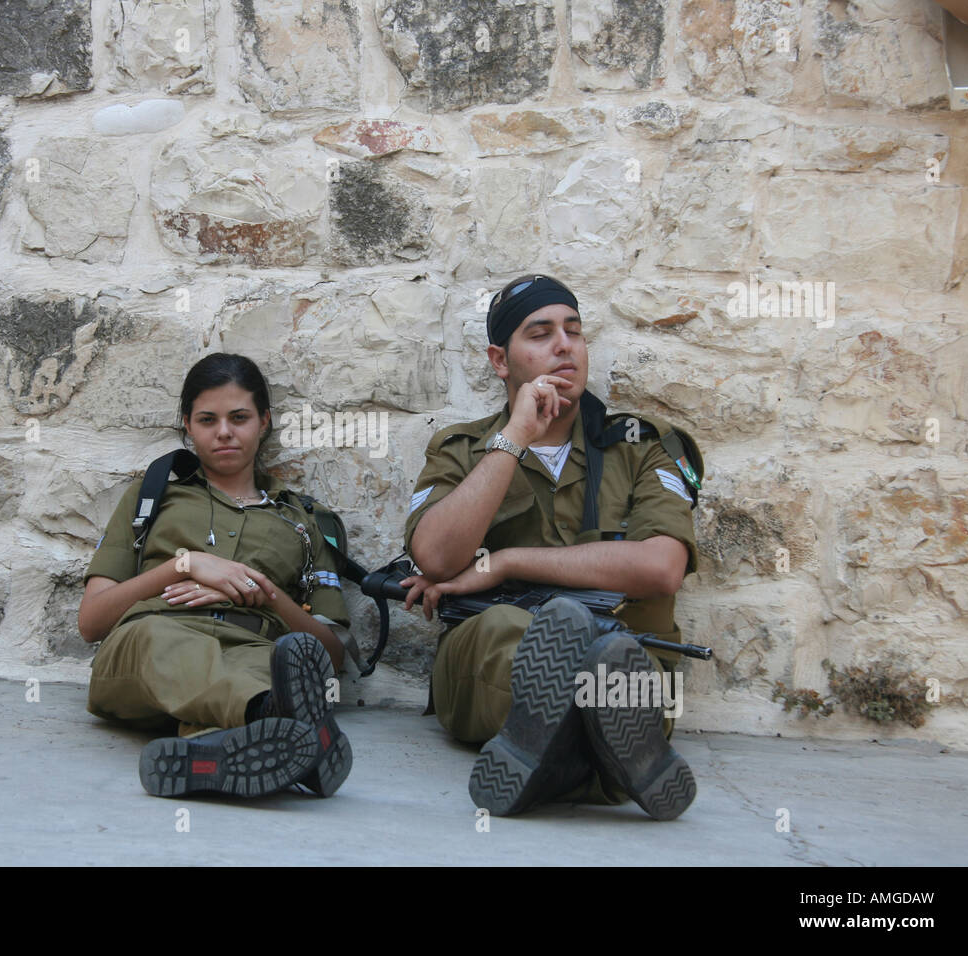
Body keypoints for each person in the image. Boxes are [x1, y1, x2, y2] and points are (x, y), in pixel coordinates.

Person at [399, 274, 703, 820]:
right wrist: (512, 438)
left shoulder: (641, 445)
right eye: (540, 333)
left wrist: (507, 562)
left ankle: (556, 754)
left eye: (574, 331)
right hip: (487, 660)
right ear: (500, 361)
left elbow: (660, 568)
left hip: (627, 645)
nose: (564, 345)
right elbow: (437, 558)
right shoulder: (463, 449)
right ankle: (609, 754)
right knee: (507, 630)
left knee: (616, 662)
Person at [78, 353, 352, 799]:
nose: (224, 432)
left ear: (264, 421)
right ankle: (280, 719)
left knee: (266, 671)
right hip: (149, 643)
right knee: (161, 643)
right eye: (208, 419)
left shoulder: (303, 521)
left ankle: (214, 757)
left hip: (251, 649)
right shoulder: (153, 496)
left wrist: (266, 596)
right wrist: (184, 564)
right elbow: (91, 621)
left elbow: (332, 656)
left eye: (239, 417)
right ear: (188, 424)